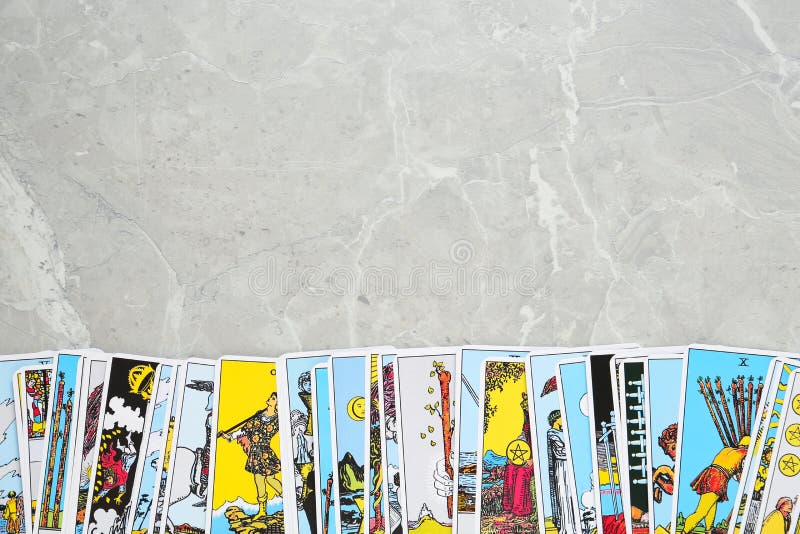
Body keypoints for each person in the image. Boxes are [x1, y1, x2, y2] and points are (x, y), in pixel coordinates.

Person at [221, 392, 282, 520]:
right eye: (271, 397)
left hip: (265, 452)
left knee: (271, 479)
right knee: (259, 481)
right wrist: (230, 436)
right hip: (255, 452)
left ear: (277, 404)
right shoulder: (259, 415)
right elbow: (244, 429)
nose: (269, 399)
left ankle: (290, 499)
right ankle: (262, 511)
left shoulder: (279, 419)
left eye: (273, 398)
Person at [682, 436, 750, 534]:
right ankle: (685, 530)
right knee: (702, 511)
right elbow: (741, 472)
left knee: (710, 505)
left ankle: (709, 530)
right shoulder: (744, 454)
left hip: (709, 473)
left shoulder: (727, 450)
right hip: (718, 478)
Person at [548, 409, 577, 534]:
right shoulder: (552, 434)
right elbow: (560, 452)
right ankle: (567, 527)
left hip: (568, 467)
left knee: (571, 496)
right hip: (560, 469)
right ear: (556, 419)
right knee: (564, 496)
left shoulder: (562, 433)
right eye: (561, 417)